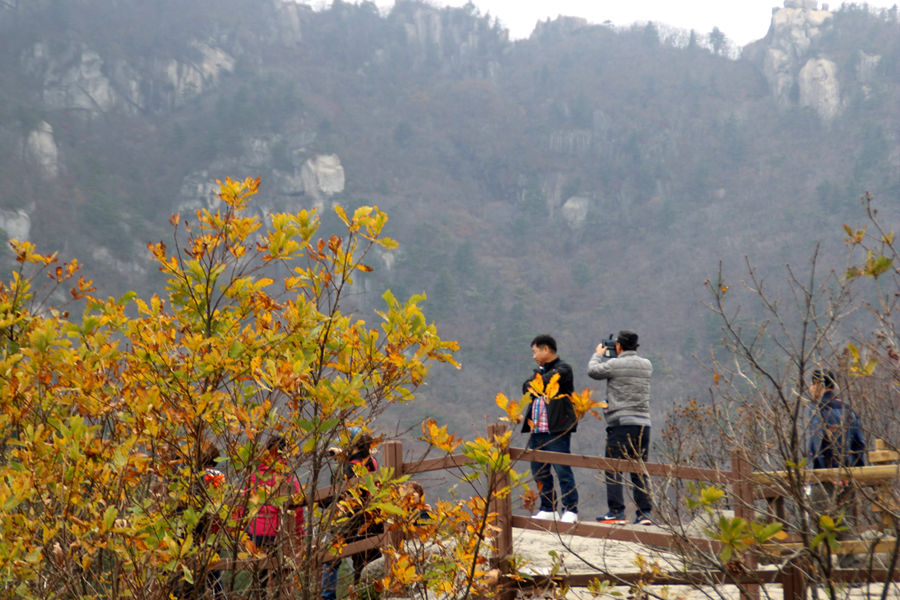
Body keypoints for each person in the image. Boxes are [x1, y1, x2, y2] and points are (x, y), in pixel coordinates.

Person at [587, 330, 654, 526]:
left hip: (621, 423)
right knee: (639, 468)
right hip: (643, 423)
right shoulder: (647, 365)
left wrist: (598, 353)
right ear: (636, 346)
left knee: (614, 467)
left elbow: (593, 371)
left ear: (618, 346)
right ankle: (644, 513)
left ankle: (616, 512)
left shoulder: (614, 364)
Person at [807, 368, 866, 560]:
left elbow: (818, 445)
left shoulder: (819, 410)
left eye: (812, 384)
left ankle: (823, 577)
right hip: (848, 478)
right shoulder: (849, 409)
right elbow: (859, 444)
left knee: (821, 530)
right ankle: (851, 575)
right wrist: (854, 474)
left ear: (820, 385)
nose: (809, 388)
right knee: (846, 526)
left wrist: (828, 473)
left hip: (824, 478)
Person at [520, 334, 579, 523]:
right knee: (539, 470)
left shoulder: (564, 369)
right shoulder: (539, 372)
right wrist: (536, 381)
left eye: (535, 351)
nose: (533, 356)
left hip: (556, 429)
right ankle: (548, 507)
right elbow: (525, 388)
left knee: (562, 469)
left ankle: (570, 509)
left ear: (546, 349)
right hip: (537, 430)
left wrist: (537, 382)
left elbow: (544, 383)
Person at [321, 429, 382, 600]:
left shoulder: (348, 468)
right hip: (372, 518)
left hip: (348, 517)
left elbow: (339, 495)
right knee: (364, 561)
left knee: (331, 558)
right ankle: (367, 594)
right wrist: (342, 456)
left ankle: (328, 596)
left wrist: (321, 502)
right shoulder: (371, 462)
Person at [244, 435, 304, 599]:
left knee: (260, 576)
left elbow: (244, 502)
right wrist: (299, 536)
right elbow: (297, 510)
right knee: (282, 576)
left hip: (256, 531)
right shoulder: (287, 476)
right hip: (279, 533)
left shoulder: (255, 474)